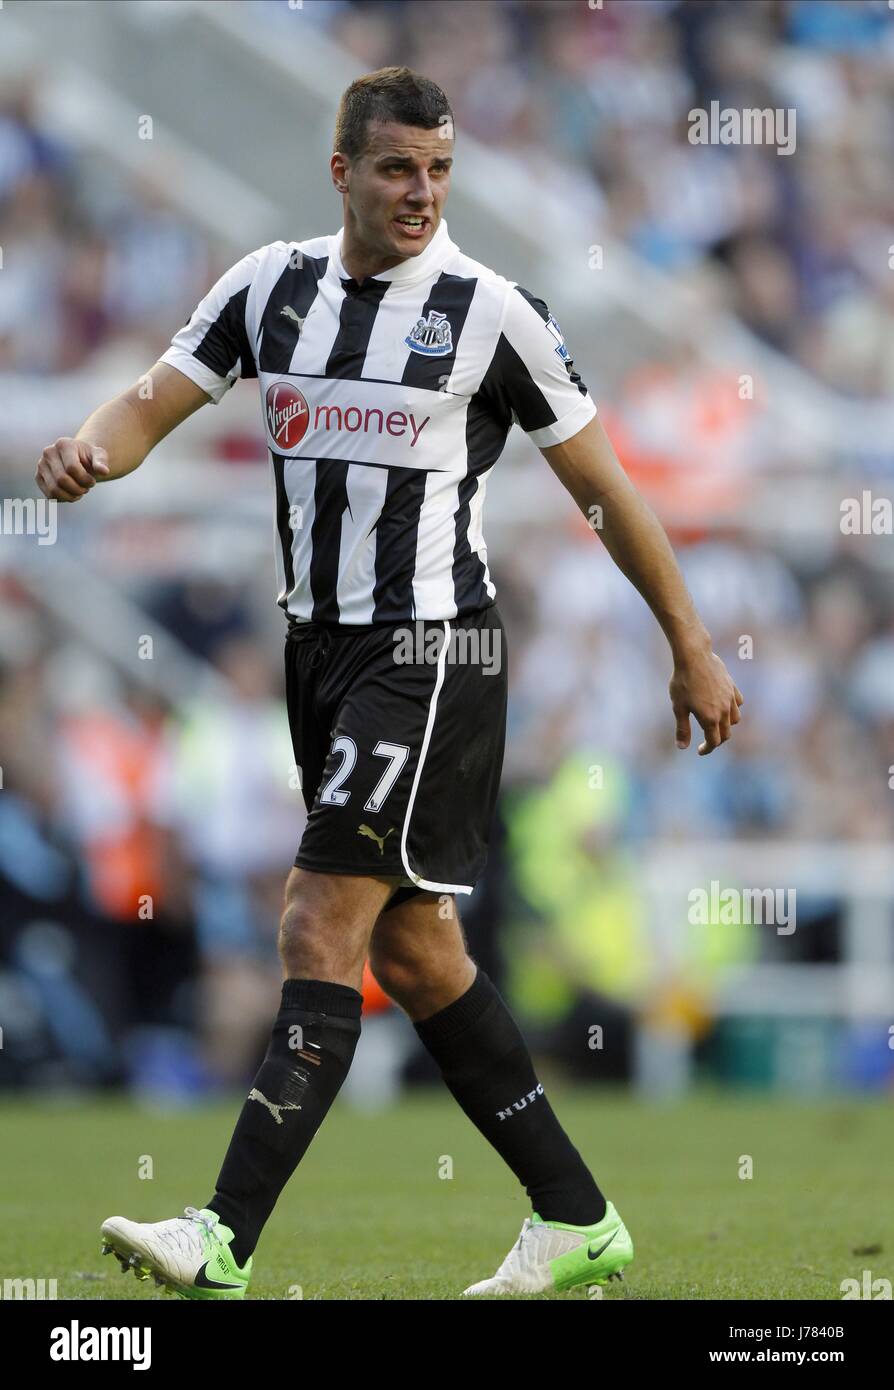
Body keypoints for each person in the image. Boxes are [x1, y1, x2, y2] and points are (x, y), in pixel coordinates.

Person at [36, 67, 742, 1299]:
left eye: (439, 170)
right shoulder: (269, 287)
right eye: (397, 168)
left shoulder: (490, 314)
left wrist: (689, 643)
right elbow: (154, 400)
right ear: (342, 170)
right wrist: (94, 451)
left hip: (430, 653)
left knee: (317, 920)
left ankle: (224, 1235)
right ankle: (576, 1217)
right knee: (416, 955)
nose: (421, 193)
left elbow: (608, 490)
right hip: (321, 656)